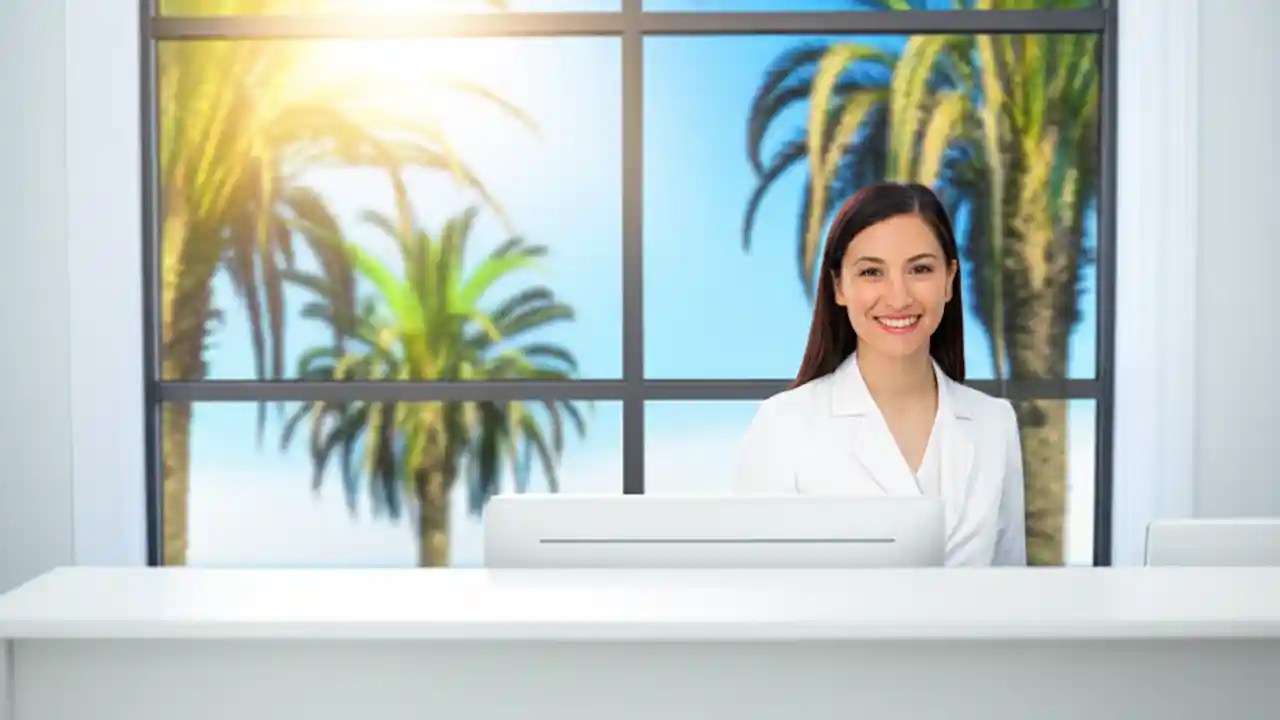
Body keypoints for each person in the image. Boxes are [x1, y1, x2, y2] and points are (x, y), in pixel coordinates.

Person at [731, 182, 1026, 566]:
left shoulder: (994, 422)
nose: (899, 297)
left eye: (920, 269)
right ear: (839, 286)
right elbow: (756, 595)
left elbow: (1011, 592)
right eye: (872, 272)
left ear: (949, 280)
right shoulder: (784, 424)